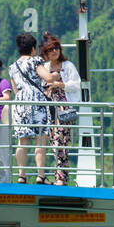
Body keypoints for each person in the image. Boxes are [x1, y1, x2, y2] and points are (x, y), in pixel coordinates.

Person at [7, 33, 51, 183]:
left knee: (22, 140)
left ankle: (21, 175)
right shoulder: (35, 61)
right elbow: (47, 77)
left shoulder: (13, 67)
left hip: (20, 102)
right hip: (37, 100)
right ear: (33, 49)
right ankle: (40, 175)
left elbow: (15, 90)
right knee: (40, 139)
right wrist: (56, 75)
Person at [39, 32, 81, 185]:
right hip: (48, 110)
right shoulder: (44, 67)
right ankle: (59, 176)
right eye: (51, 49)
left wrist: (61, 85)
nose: (54, 51)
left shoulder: (68, 66)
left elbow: (77, 84)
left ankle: (61, 178)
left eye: (56, 48)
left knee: (61, 142)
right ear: (46, 53)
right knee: (53, 142)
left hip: (63, 109)